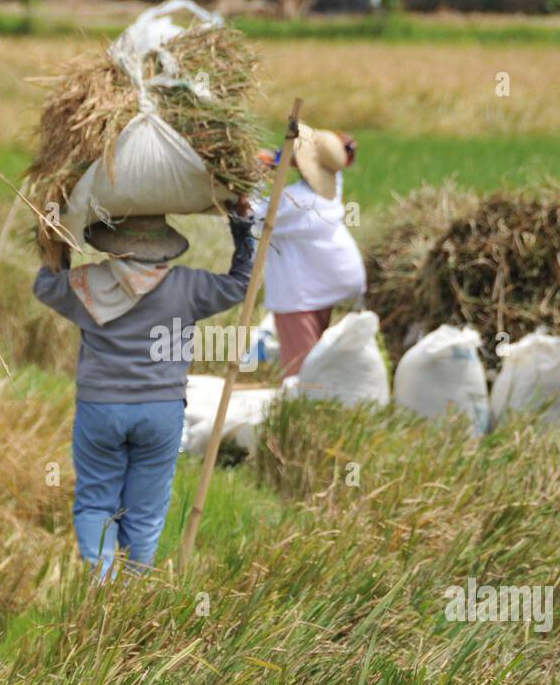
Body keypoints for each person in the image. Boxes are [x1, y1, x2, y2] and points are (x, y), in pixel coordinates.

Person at [33, 209, 254, 580]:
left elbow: (45, 284)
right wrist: (242, 229)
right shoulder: (187, 286)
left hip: (100, 409)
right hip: (161, 411)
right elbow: (240, 283)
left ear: (113, 246)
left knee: (94, 503)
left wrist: (59, 235)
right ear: (164, 248)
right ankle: (134, 587)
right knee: (146, 510)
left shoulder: (86, 284)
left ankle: (102, 584)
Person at [251, 123, 366, 379]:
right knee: (320, 361)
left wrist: (254, 177)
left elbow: (252, 217)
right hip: (329, 285)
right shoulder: (331, 187)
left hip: (301, 296)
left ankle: (306, 413)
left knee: (302, 374)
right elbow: (334, 160)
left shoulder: (296, 201)